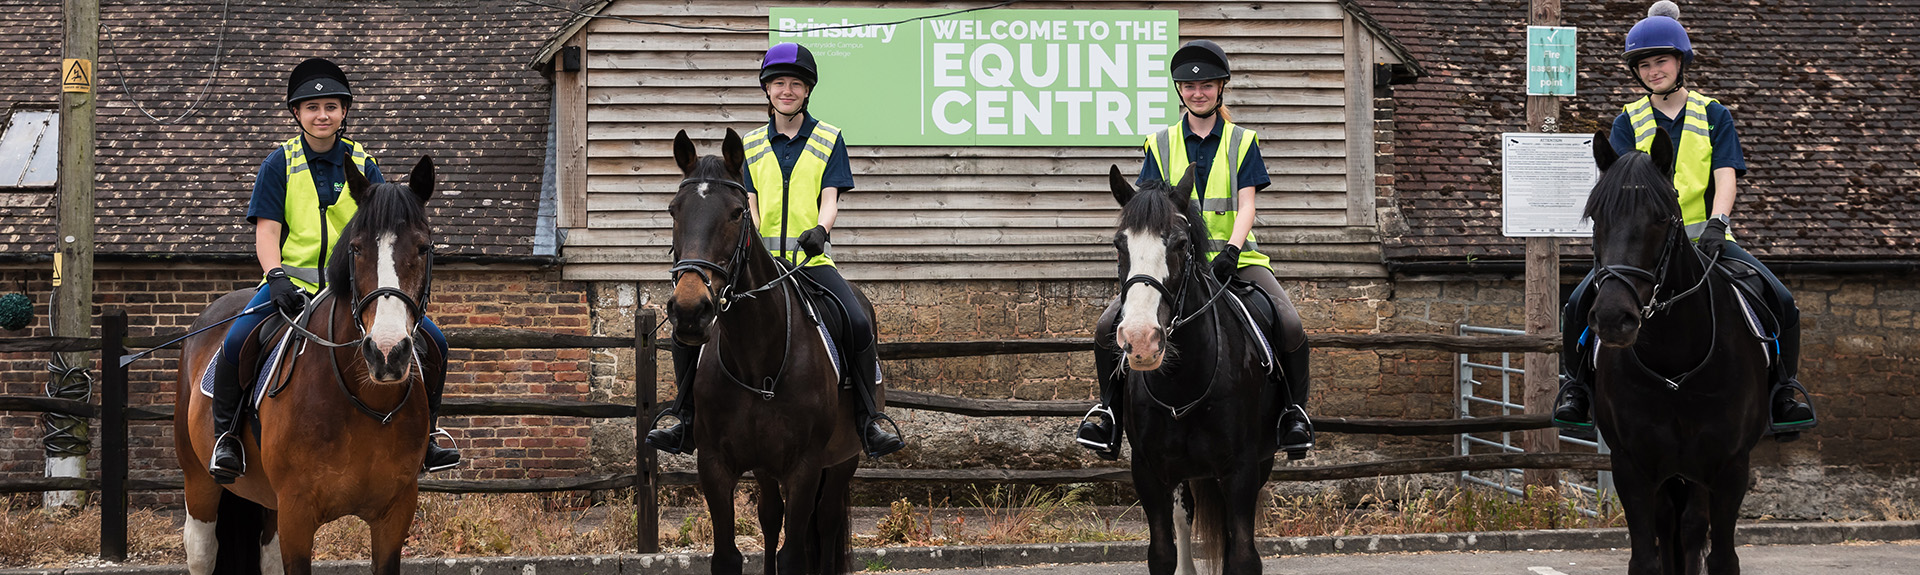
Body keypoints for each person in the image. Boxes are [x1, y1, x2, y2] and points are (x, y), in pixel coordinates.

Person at [1553, 1, 1817, 438]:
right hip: (1643, 244)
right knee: (1579, 303)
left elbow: (1725, 175)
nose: (1654, 71)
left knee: (1782, 301)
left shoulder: (1713, 114)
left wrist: (1718, 222)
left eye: (1662, 61)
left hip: (1705, 236)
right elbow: (1621, 189)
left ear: (1680, 62)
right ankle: (1576, 389)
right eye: (1645, 65)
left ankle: (1783, 393)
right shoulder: (1627, 120)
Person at [645, 43, 905, 459]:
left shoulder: (828, 138)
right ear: (767, 90)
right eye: (778, 83)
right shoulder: (747, 145)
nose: (787, 90)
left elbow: (830, 196)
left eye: (795, 84)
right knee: (689, 323)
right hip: (756, 263)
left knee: (857, 319)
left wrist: (822, 228)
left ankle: (869, 420)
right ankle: (685, 417)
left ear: (807, 91)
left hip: (810, 259)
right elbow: (745, 204)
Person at [207, 58, 461, 483]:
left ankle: (429, 436)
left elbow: (389, 234)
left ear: (344, 112)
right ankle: (227, 438)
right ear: (296, 113)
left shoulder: (364, 162)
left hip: (352, 289)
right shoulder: (279, 164)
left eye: (330, 106)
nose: (321, 115)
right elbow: (267, 232)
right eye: (311, 107)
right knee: (235, 342)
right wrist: (275, 277)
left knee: (435, 342)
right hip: (292, 287)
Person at [1075, 40, 1315, 460]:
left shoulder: (1242, 141)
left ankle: (1293, 415)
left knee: (1290, 323)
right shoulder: (1160, 143)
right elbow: (1146, 208)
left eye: (1206, 84)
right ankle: (1107, 413)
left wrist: (1233, 252)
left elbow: (1247, 205)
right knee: (1105, 327)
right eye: (1189, 86)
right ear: (1179, 91)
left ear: (1221, 88)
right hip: (1172, 262)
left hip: (1233, 259)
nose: (1197, 92)